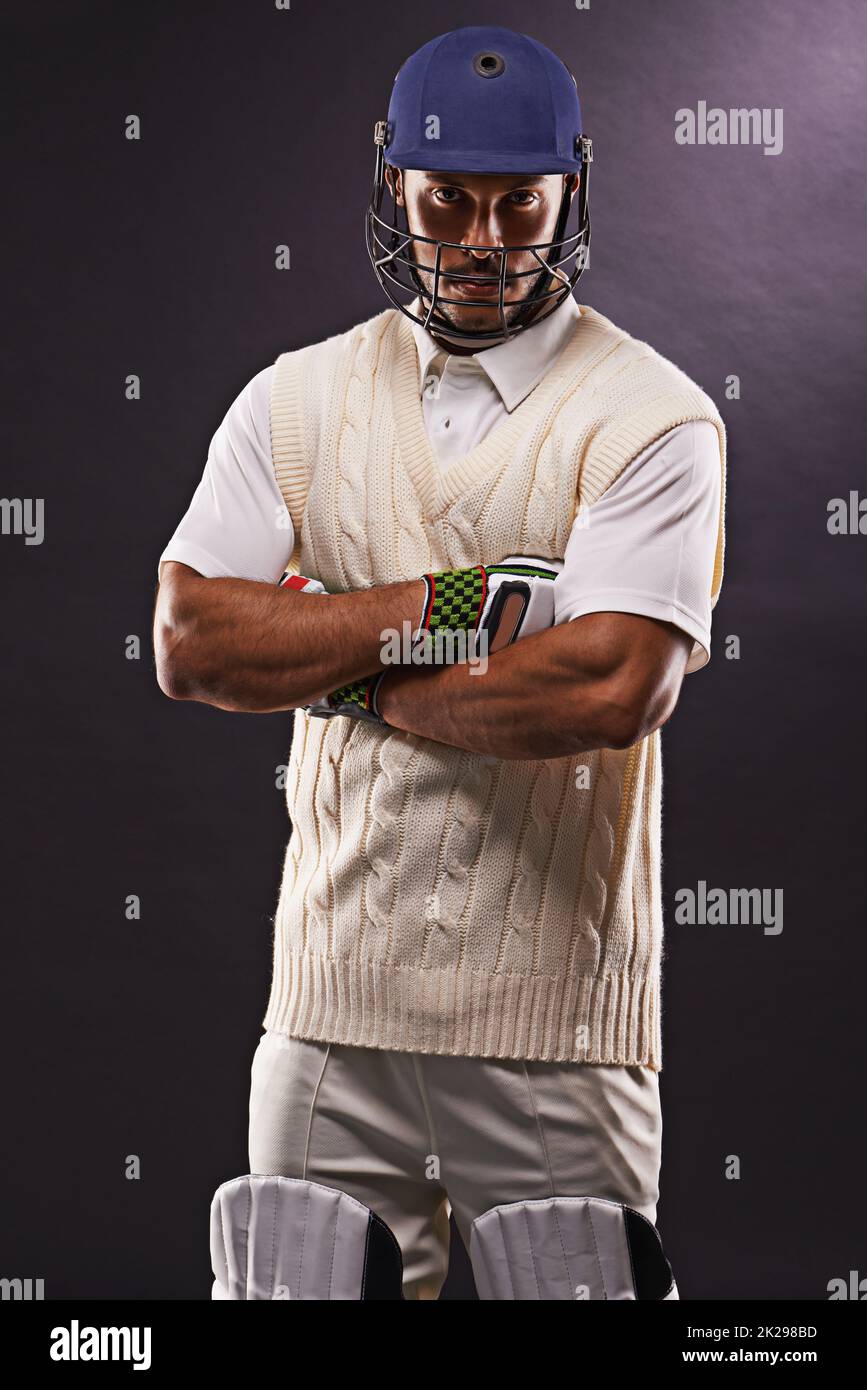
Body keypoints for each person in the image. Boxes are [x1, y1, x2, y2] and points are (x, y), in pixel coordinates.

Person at [155, 24, 726, 1300]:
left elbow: (610, 684)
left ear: (569, 192)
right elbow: (193, 641)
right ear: (395, 191)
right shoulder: (293, 400)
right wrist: (452, 604)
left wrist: (332, 655)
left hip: (556, 1029)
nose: (481, 241)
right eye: (446, 201)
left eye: (518, 204)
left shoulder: (653, 417)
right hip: (326, 1012)